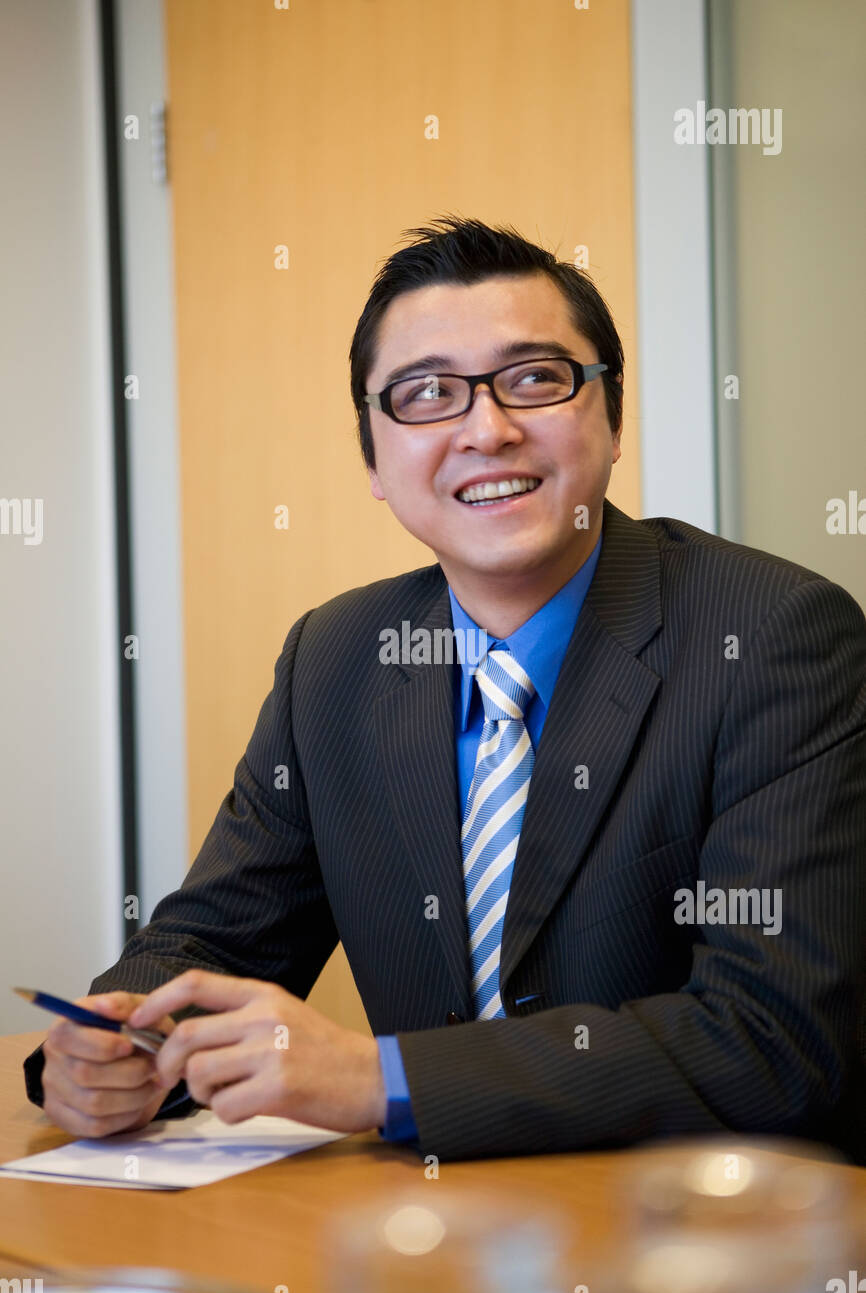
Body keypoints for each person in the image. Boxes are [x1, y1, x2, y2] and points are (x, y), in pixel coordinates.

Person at [24, 216, 866, 1163]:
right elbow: (211, 945)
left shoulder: (775, 635)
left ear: (613, 420)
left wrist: (383, 1078)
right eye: (427, 394)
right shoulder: (337, 659)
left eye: (536, 379)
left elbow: (776, 1039)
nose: (487, 429)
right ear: (374, 463)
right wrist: (108, 1047)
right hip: (433, 1227)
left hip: (698, 1239)